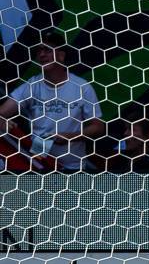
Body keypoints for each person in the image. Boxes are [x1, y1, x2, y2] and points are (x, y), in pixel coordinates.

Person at [0, 30, 104, 171]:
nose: (42, 55)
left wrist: (70, 137)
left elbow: (98, 127)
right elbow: (2, 112)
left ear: (61, 55)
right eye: (39, 51)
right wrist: (3, 122)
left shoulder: (82, 87)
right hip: (40, 164)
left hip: (72, 168)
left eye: (48, 50)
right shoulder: (32, 85)